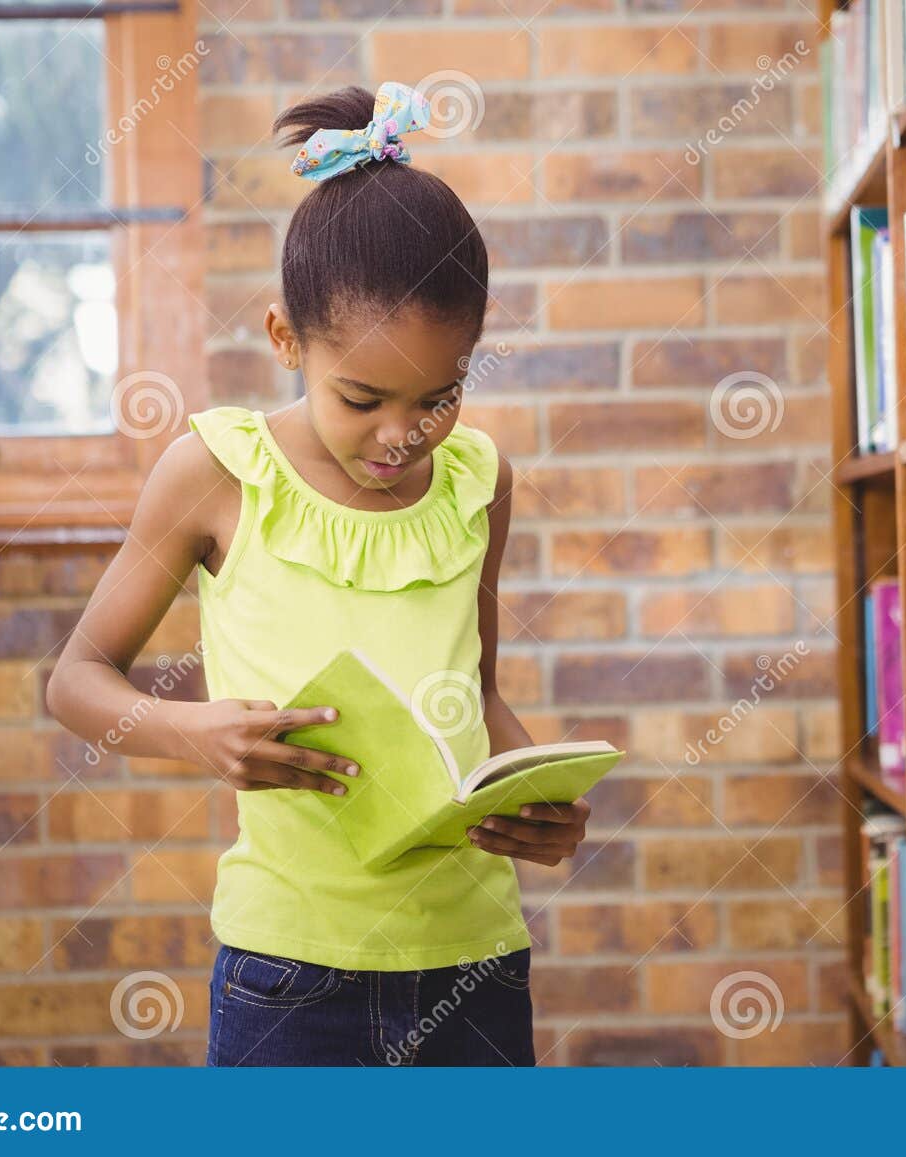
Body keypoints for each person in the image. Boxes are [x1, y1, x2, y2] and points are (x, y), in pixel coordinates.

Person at [45, 81, 590, 1067]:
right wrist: (190, 729)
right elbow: (76, 678)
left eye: (440, 395)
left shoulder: (479, 480)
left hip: (473, 961)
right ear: (285, 340)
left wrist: (532, 793)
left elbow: (477, 691)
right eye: (362, 397)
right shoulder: (217, 472)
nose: (402, 434)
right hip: (287, 974)